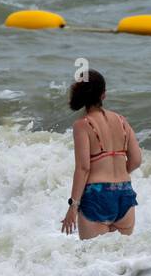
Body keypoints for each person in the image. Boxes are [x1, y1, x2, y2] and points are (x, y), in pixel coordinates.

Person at [61, 70, 142, 239]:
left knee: (93, 260)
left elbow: (83, 168)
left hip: (97, 196)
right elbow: (136, 160)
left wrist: (73, 207)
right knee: (123, 258)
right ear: (103, 95)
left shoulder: (82, 125)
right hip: (124, 194)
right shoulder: (121, 120)